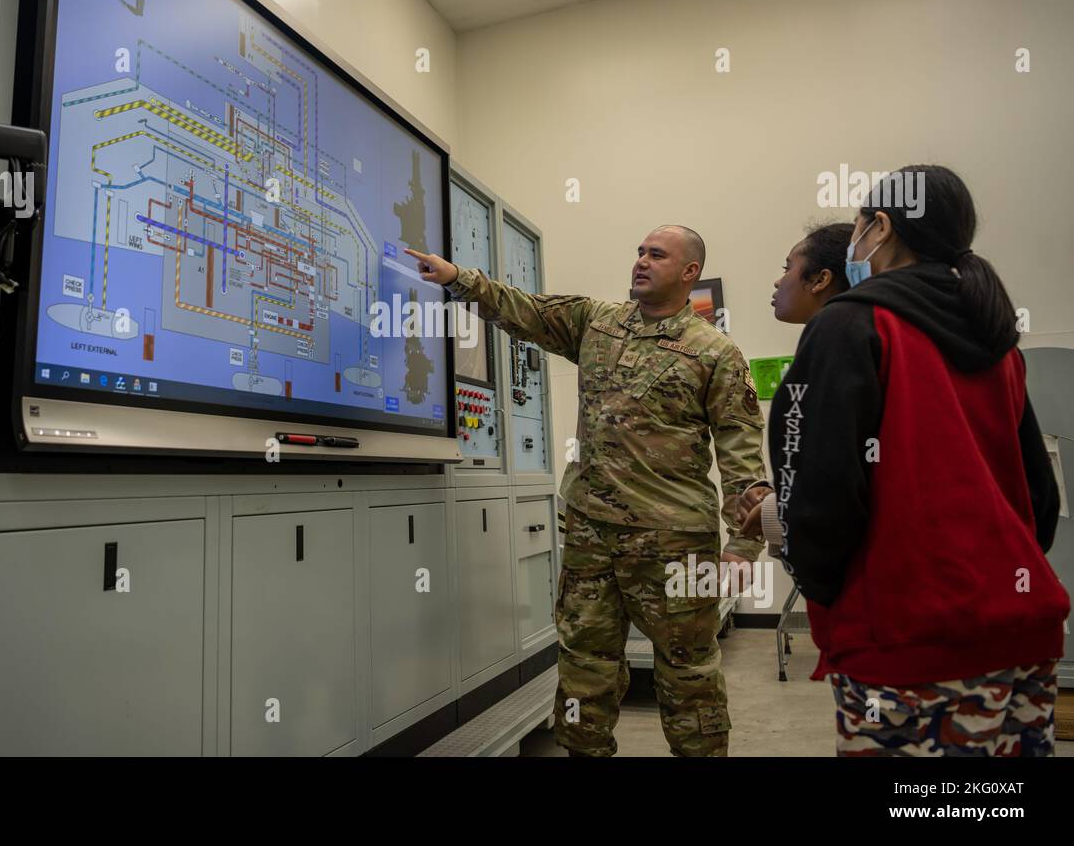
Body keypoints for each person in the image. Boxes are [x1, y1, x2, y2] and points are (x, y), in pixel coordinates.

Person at [405, 225, 766, 757]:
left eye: (657, 254)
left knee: (688, 670)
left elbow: (740, 447)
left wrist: (745, 541)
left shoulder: (715, 352)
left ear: (689, 272)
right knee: (583, 664)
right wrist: (461, 279)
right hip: (590, 534)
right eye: (640, 251)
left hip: (673, 543)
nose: (641, 260)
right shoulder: (597, 322)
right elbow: (524, 309)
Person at [744, 165, 1067, 756]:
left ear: (881, 227)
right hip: (1023, 632)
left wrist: (827, 587)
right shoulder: (997, 341)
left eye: (861, 225)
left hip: (908, 641)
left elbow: (823, 499)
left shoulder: (849, 325)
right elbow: (1040, 502)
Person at [737, 222, 854, 536]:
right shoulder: (828, 342)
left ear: (819, 280)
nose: (778, 281)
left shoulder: (843, 347)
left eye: (788, 268)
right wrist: (777, 497)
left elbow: (840, 475)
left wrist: (777, 512)